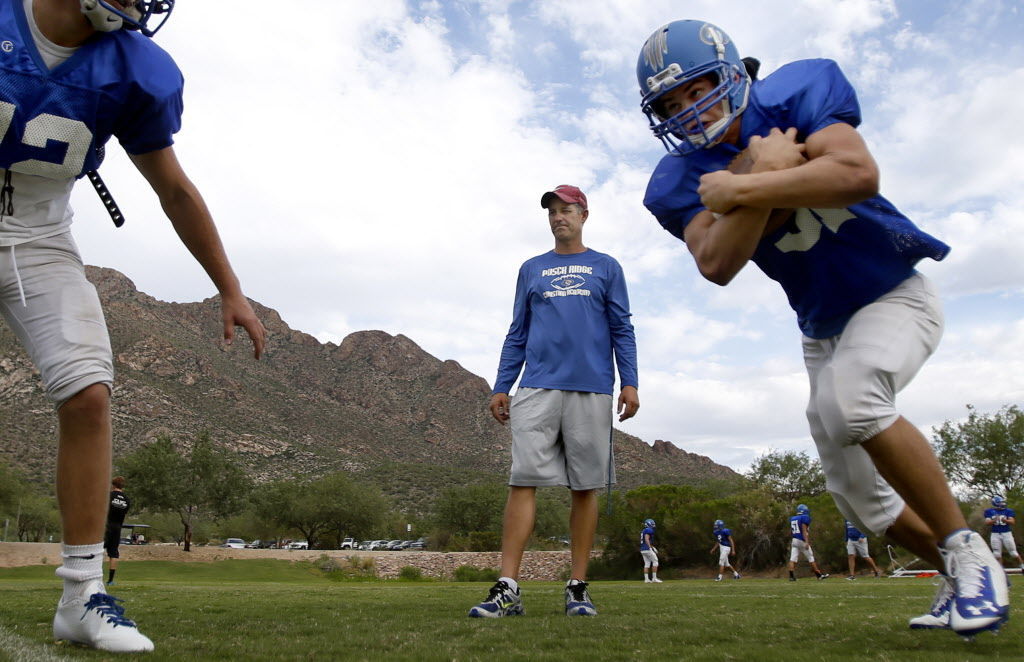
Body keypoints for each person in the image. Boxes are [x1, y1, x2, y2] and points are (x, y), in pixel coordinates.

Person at [635, 19, 1007, 637]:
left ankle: (970, 551)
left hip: (891, 292)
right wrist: (763, 175)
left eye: (695, 89)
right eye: (669, 105)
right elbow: (716, 261)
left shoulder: (796, 92)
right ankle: (955, 570)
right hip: (821, 329)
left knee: (854, 399)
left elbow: (857, 175)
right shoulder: (677, 180)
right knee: (861, 497)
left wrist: (743, 188)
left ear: (731, 75)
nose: (688, 111)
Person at [0, 0, 266, 653]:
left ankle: (82, 595)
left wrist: (229, 287)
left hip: (36, 234)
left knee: (89, 392)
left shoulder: (137, 70)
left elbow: (172, 187)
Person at [468, 185, 639, 618]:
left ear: (584, 215)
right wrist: (502, 385)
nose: (559, 217)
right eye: (553, 211)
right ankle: (508, 588)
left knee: (585, 486)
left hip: (592, 388)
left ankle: (577, 588)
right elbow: (517, 331)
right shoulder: (532, 269)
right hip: (538, 387)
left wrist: (630, 382)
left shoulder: (606, 267)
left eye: (567, 210)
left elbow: (622, 327)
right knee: (521, 480)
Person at [787, 504, 827, 581]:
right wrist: (806, 542)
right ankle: (819, 575)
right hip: (801, 540)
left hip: (794, 540)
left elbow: (791, 531)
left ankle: (791, 576)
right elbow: (804, 530)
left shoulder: (793, 518)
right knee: (811, 557)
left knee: (793, 558)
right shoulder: (804, 517)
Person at [985, 496, 1023, 572]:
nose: (1002, 504)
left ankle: (1022, 566)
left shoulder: (1008, 511)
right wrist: (994, 520)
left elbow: (1012, 522)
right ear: (995, 504)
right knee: (997, 554)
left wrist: (1005, 520)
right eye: (1000, 503)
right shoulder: (989, 511)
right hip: (995, 534)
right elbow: (987, 522)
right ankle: (1000, 571)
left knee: (1013, 553)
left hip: (1006, 533)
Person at [104, 476, 129, 586]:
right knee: (113, 553)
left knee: (97, 551)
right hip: (117, 528)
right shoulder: (127, 500)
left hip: (105, 526)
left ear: (113, 485)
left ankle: (93, 577)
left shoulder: (109, 496)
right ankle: (110, 580)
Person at [640, 518, 662, 583]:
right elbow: (646, 539)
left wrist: (652, 547)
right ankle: (654, 578)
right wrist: (650, 548)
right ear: (649, 524)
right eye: (652, 523)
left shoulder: (643, 530)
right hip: (647, 549)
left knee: (647, 564)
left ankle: (646, 579)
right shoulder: (649, 530)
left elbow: (645, 540)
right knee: (655, 561)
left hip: (642, 549)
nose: (653, 525)